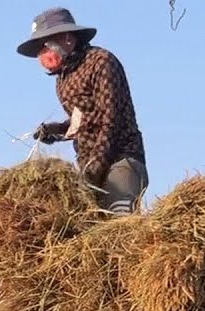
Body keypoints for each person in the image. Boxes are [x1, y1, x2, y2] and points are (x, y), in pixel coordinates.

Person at [19, 7, 148, 214]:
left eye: (46, 44)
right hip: (88, 166)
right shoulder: (63, 80)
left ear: (67, 38)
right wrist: (56, 130)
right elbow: (83, 120)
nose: (43, 52)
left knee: (119, 222)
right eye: (39, 48)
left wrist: (94, 169)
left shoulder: (100, 62)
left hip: (120, 159)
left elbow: (110, 119)